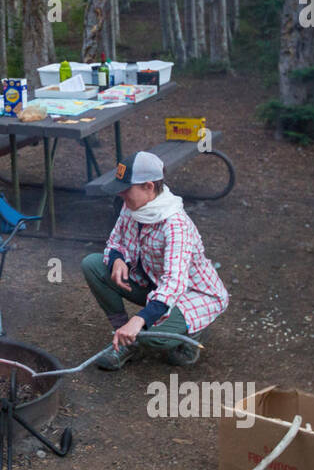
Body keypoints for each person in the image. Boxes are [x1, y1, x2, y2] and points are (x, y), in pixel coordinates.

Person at [80, 151, 228, 369]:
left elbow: (174, 283)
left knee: (155, 339)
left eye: (126, 189)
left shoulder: (175, 225)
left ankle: (193, 332)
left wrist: (139, 319)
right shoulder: (132, 206)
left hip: (193, 293)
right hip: (153, 283)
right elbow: (115, 241)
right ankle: (124, 340)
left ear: (148, 187)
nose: (121, 194)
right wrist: (117, 259)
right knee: (92, 265)